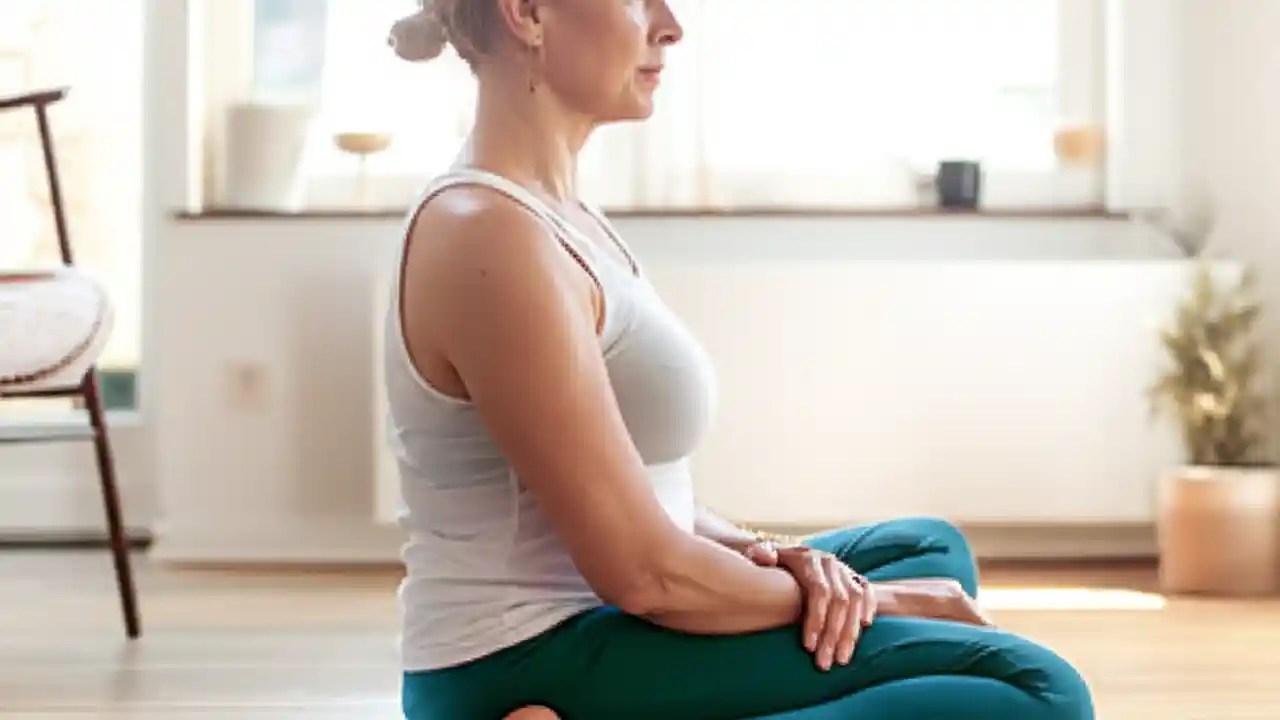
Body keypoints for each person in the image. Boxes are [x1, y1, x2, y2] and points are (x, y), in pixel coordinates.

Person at [382, 1, 1095, 718]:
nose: (669, 24)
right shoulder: (490, 239)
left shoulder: (558, 215)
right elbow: (641, 573)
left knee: (931, 552)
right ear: (528, 13)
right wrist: (883, 601)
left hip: (611, 619)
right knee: (1036, 693)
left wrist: (781, 557)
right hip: (528, 657)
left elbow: (648, 496)